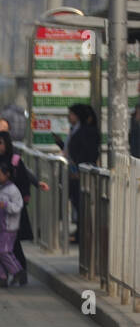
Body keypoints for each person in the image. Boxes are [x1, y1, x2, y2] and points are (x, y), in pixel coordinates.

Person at [0, 129, 37, 285]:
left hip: (12, 213)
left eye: (1, 143)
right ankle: (1, 277)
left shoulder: (14, 160)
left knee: (12, 245)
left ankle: (19, 272)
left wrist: (34, 186)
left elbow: (25, 177)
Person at [58, 103, 100, 240]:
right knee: (78, 202)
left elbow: (86, 152)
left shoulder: (86, 131)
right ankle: (80, 232)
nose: (69, 117)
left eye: (71, 114)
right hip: (74, 170)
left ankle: (82, 233)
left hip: (80, 172)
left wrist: (78, 168)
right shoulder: (76, 130)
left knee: (82, 203)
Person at [0, 160, 25, 288]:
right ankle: (0, 277)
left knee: (3, 251)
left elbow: (17, 207)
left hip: (8, 227)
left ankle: (17, 271)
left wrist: (5, 205)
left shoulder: (13, 190)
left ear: (7, 174)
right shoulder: (0, 189)